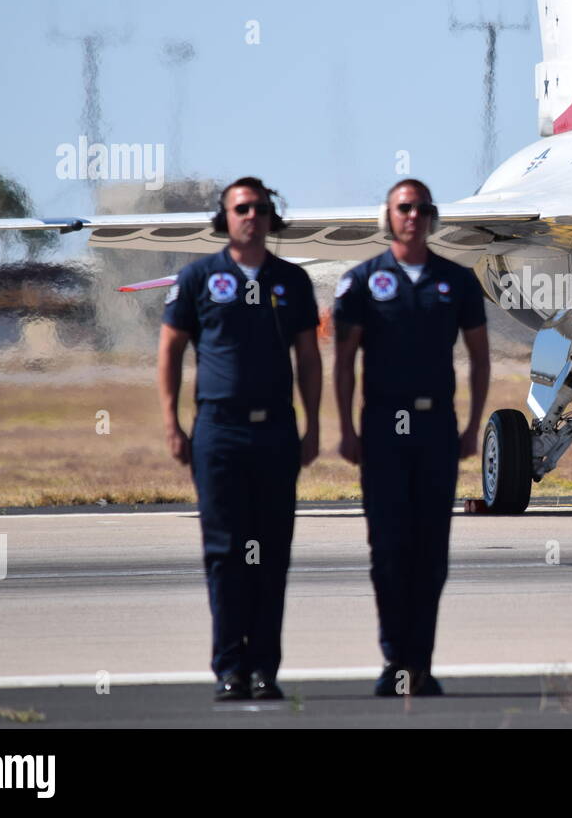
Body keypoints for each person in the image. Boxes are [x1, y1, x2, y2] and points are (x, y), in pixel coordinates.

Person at [158, 177, 322, 701]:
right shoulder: (198, 278)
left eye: (260, 208)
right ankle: (230, 667)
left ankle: (264, 670)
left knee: (271, 553)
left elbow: (309, 357)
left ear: (273, 215)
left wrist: (313, 424)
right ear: (225, 217)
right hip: (218, 432)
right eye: (241, 208)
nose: (251, 216)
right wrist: (172, 423)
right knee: (226, 553)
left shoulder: (292, 282)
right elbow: (171, 351)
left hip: (274, 430)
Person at [333, 178, 490, 697]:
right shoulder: (362, 281)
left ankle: (420, 664)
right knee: (389, 551)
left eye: (423, 208)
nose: (414, 216)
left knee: (431, 552)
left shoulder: (457, 281)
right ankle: (395, 661)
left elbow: (479, 356)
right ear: (388, 214)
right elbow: (344, 360)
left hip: (435, 430)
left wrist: (472, 425)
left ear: (432, 216)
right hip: (382, 430)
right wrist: (347, 429)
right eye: (405, 208)